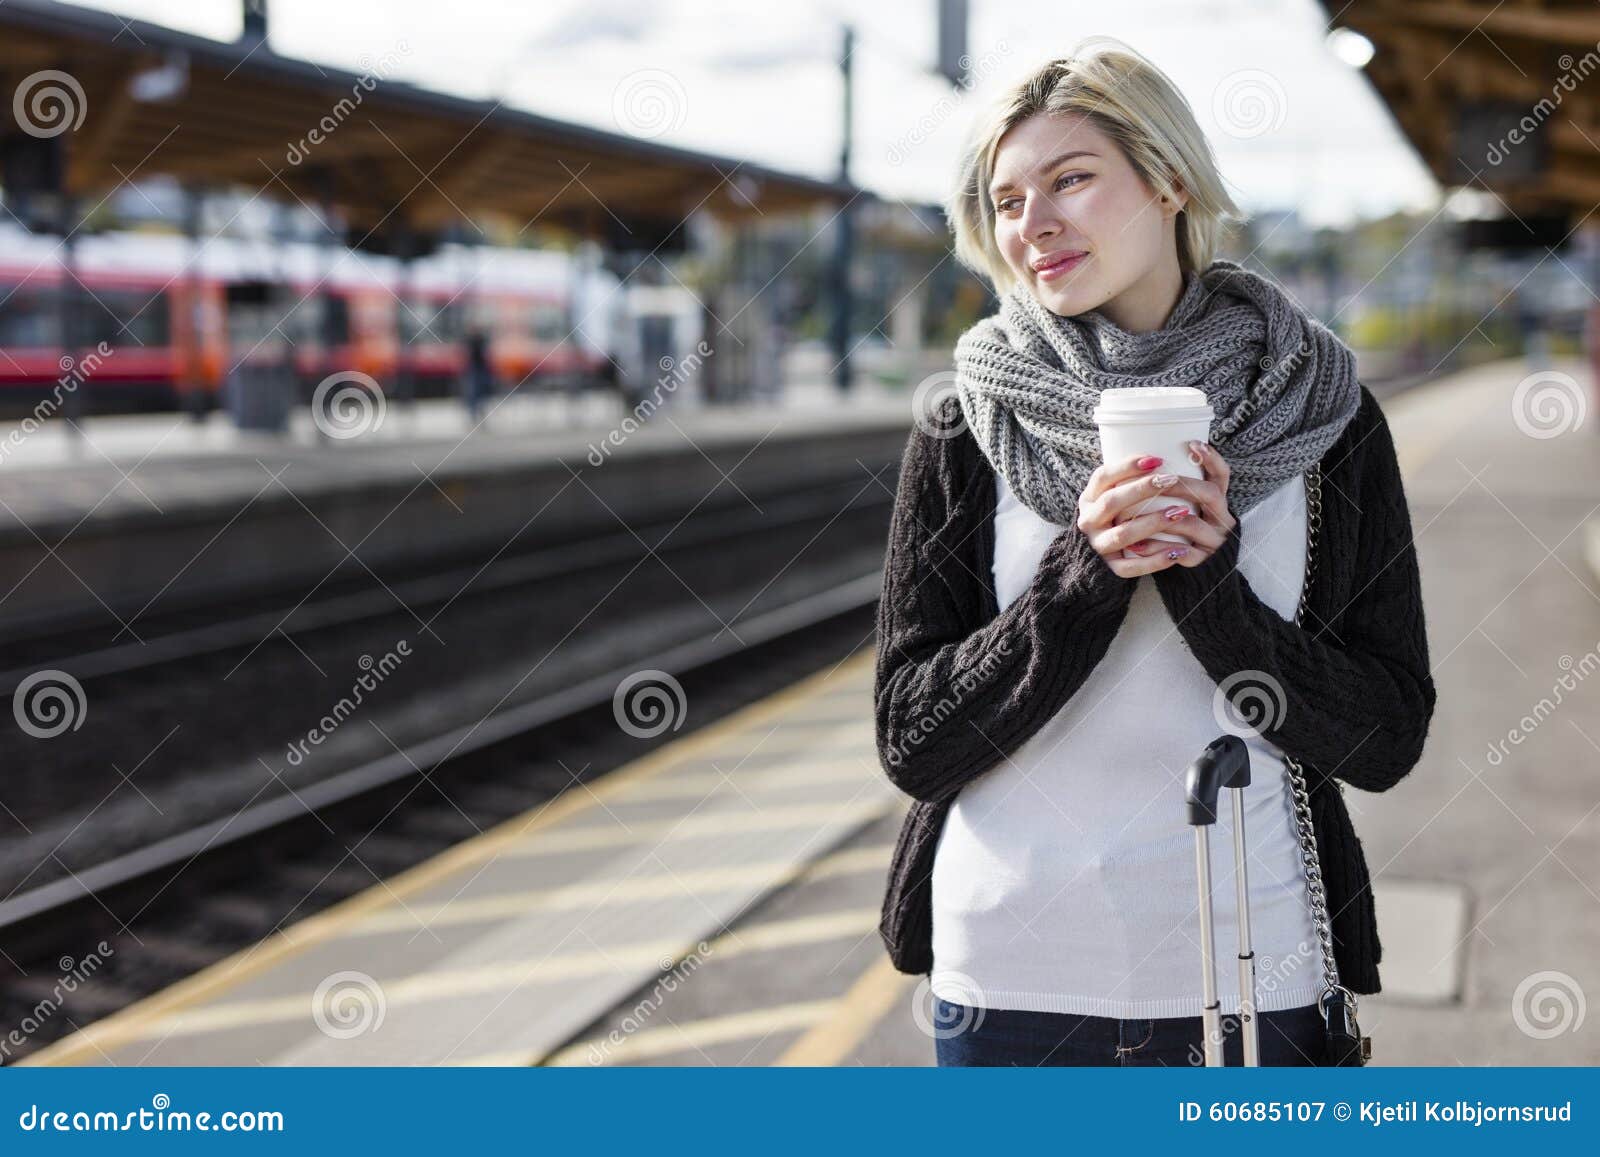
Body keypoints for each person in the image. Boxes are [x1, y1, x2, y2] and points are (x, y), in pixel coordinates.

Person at [873, 39, 1437, 1067]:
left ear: (1169, 179)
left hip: (1254, 969)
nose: (1031, 222)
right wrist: (1087, 573)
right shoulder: (966, 423)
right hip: (1007, 976)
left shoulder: (1326, 421)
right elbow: (912, 735)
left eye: (1070, 179)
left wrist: (1207, 586)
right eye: (1005, 200)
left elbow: (1387, 730)